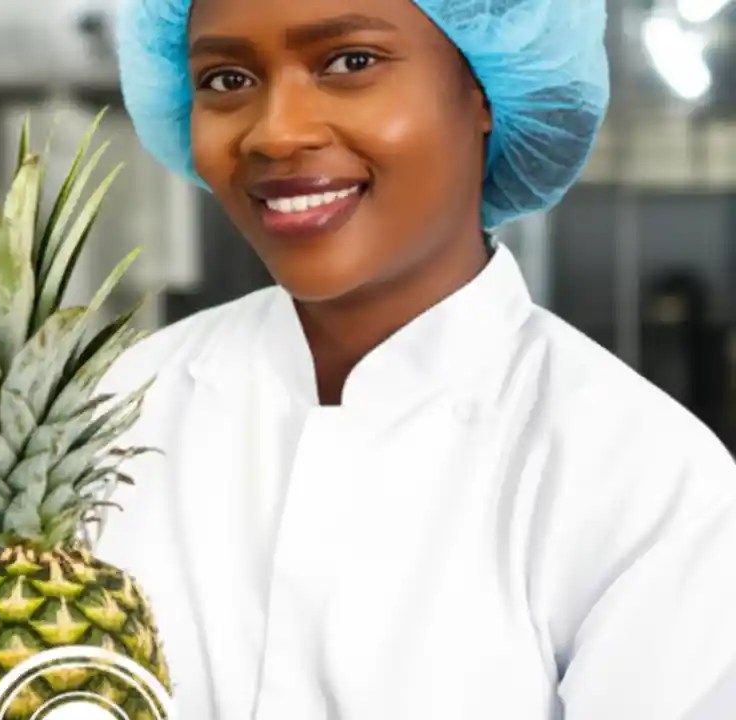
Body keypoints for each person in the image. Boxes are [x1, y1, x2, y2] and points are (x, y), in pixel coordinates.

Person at [91, 0, 736, 718]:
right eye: (226, 78)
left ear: (484, 91)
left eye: (351, 62)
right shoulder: (109, 415)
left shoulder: (648, 489)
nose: (276, 132)